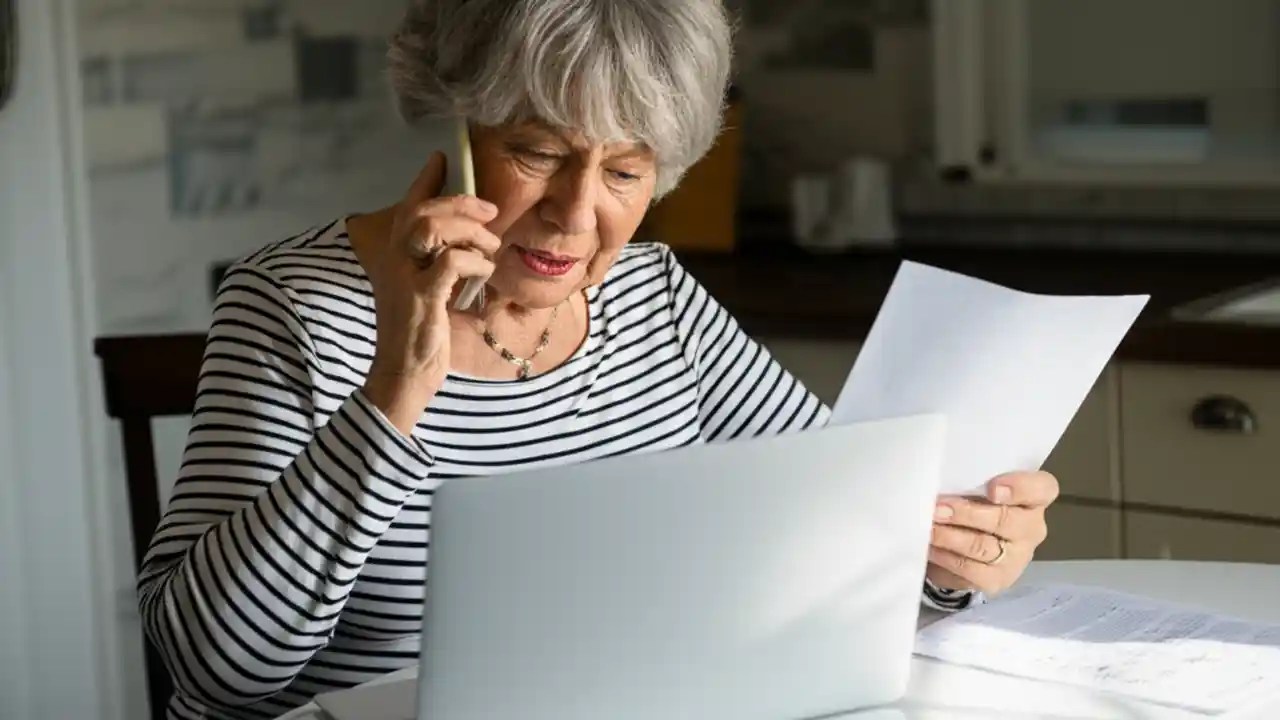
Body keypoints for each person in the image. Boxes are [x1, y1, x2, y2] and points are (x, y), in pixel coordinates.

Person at [137, 1, 1060, 717]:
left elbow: (844, 524)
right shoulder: (294, 303)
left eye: (627, 172)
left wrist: (946, 554)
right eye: (539, 152)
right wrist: (396, 389)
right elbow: (220, 673)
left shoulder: (652, 299)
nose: (579, 215)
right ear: (455, 135)